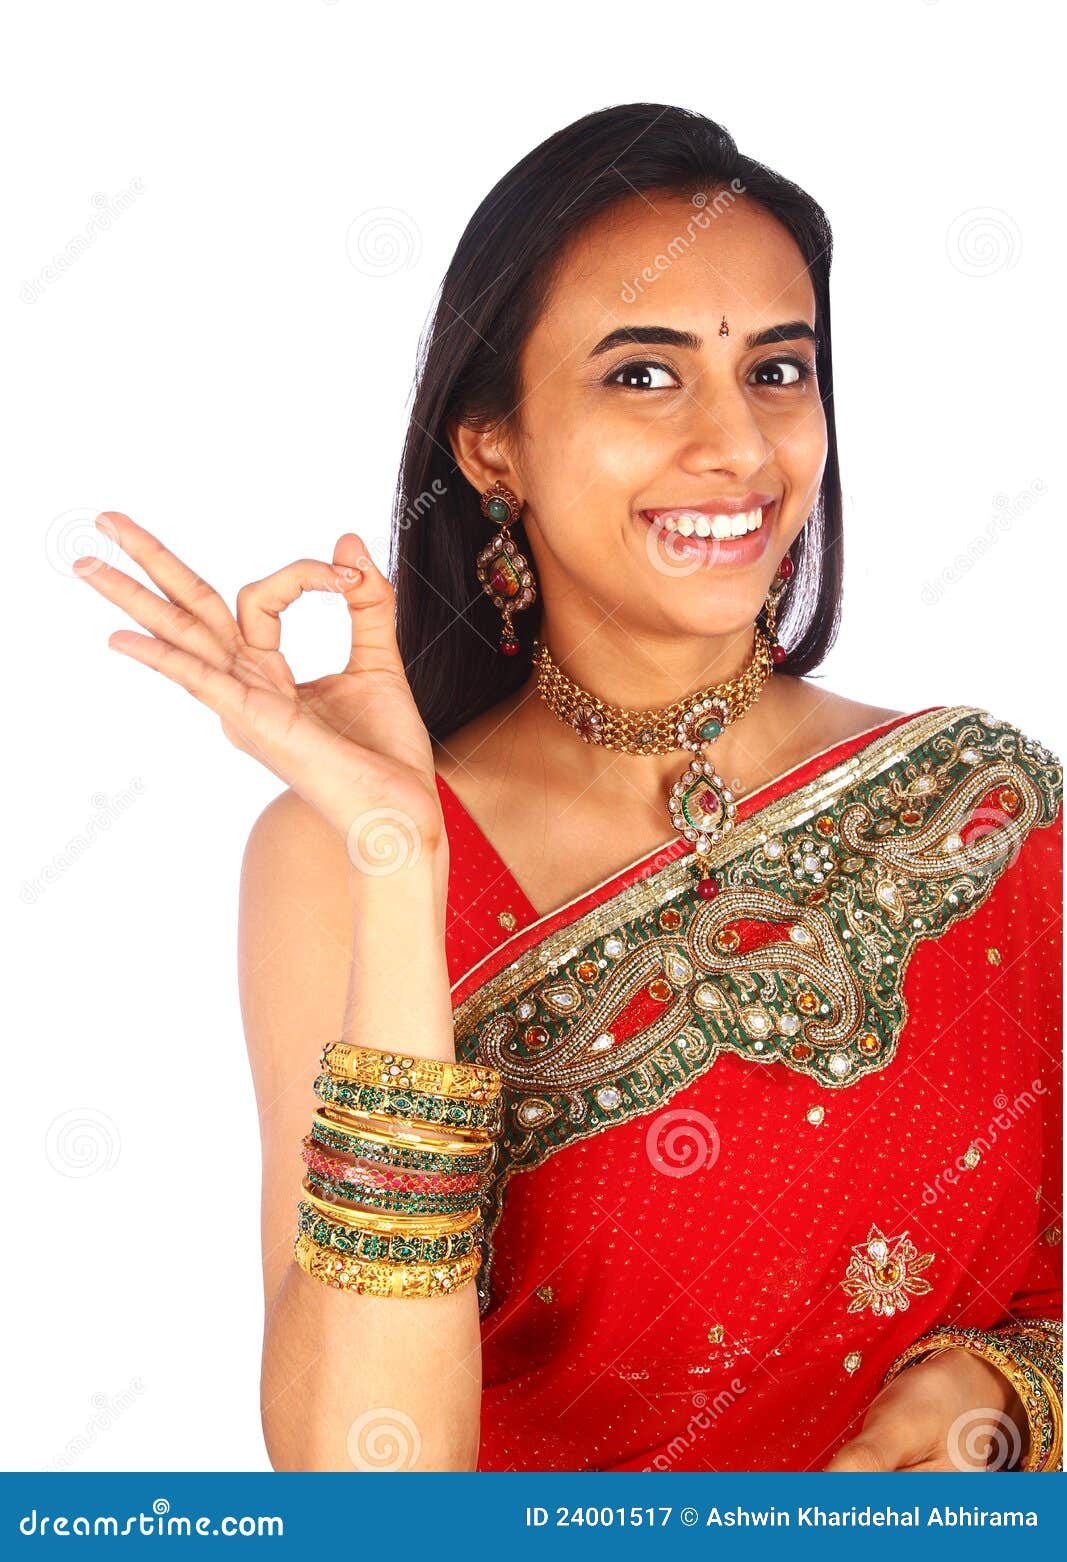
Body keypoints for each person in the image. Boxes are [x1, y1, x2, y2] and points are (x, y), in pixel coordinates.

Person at [75, 104, 1062, 1473]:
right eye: (644, 378)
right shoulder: (338, 859)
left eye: (779, 369)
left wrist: (1003, 1397)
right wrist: (399, 854)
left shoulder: (988, 808)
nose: (737, 446)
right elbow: (367, 1483)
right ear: (495, 444)